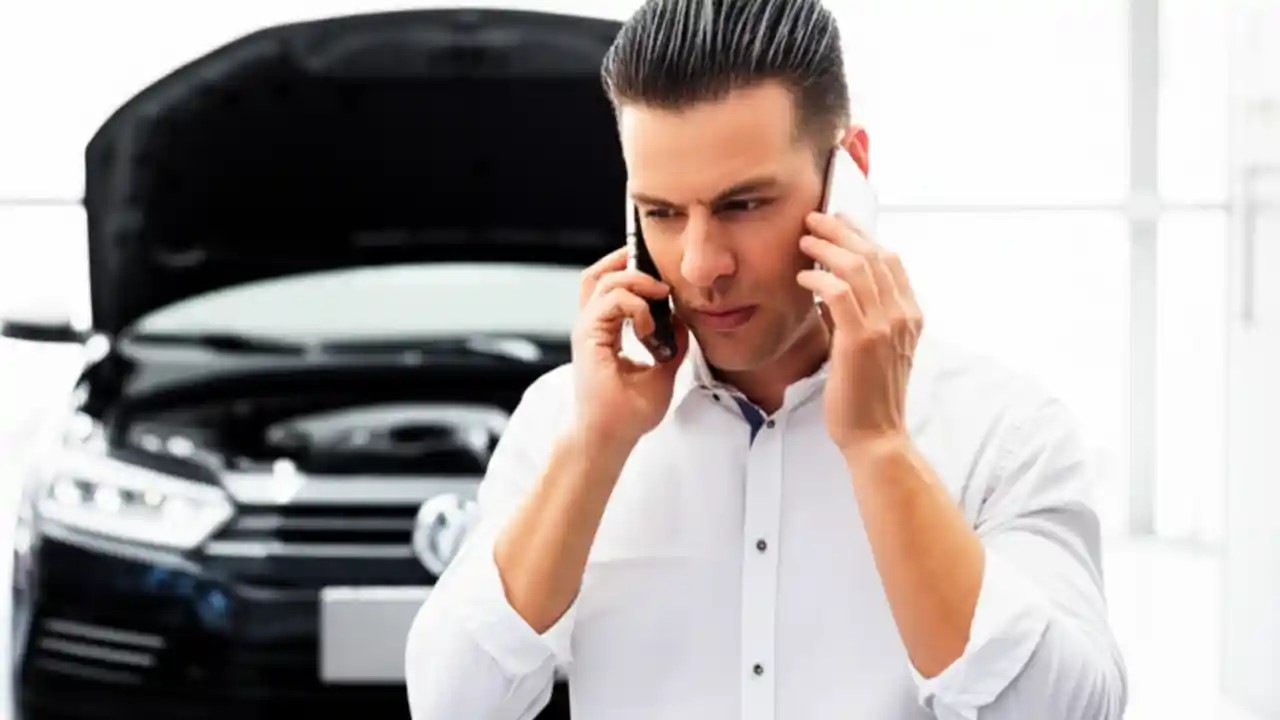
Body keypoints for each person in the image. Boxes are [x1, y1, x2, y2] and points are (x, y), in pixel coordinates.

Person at [403, 1, 1128, 718]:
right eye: (661, 212)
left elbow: (1066, 711)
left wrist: (879, 449)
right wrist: (593, 453)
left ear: (850, 176)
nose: (701, 264)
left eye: (743, 205)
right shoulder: (567, 421)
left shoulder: (1004, 433)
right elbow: (452, 705)